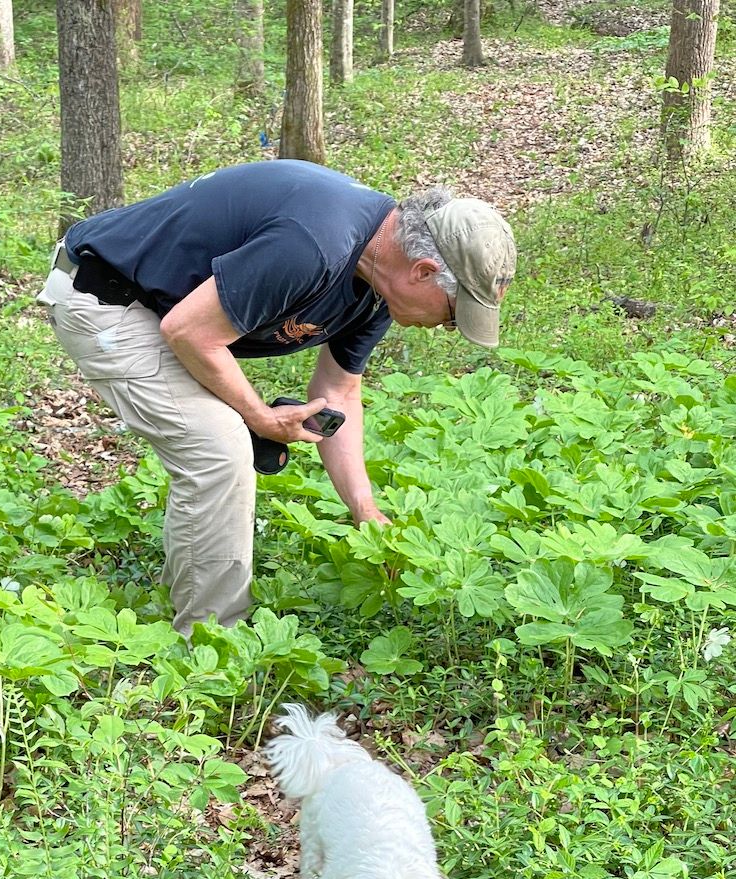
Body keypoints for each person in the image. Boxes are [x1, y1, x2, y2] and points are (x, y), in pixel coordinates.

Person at [37, 161, 515, 637]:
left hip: (173, 314)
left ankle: (189, 596)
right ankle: (209, 644)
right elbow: (189, 333)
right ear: (424, 271)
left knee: (221, 442)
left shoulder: (379, 282)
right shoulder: (314, 244)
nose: (448, 328)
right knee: (219, 450)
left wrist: (364, 508)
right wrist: (260, 417)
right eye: (454, 314)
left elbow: (339, 391)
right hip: (106, 297)